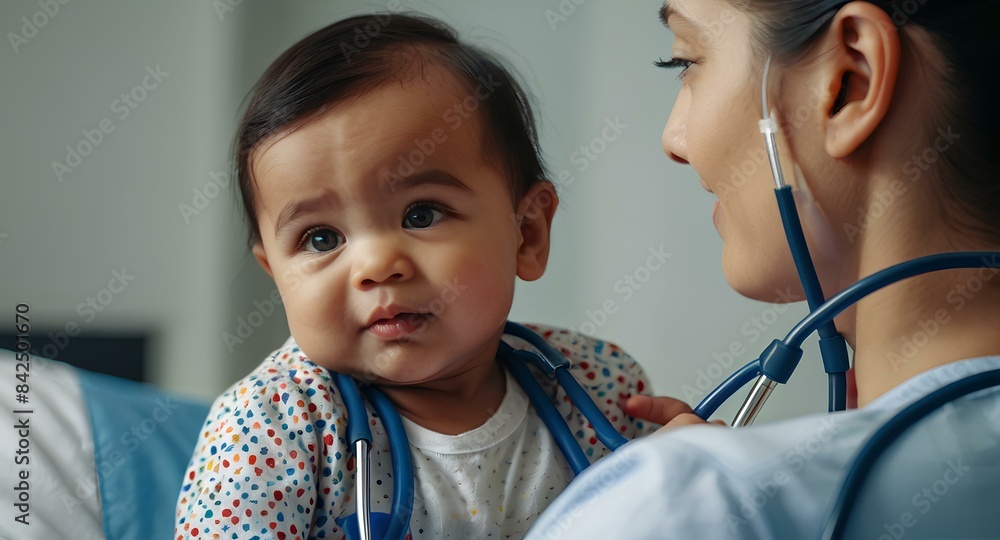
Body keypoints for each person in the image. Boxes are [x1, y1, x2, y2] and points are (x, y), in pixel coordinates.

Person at [173, 13, 659, 540]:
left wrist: (698, 472)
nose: (377, 265)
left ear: (528, 233)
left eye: (421, 214)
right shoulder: (270, 425)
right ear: (278, 275)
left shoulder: (600, 387)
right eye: (320, 239)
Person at [526, 0, 1000, 538]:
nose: (673, 140)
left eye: (686, 60)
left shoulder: (690, 507)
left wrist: (663, 497)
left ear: (850, 83)